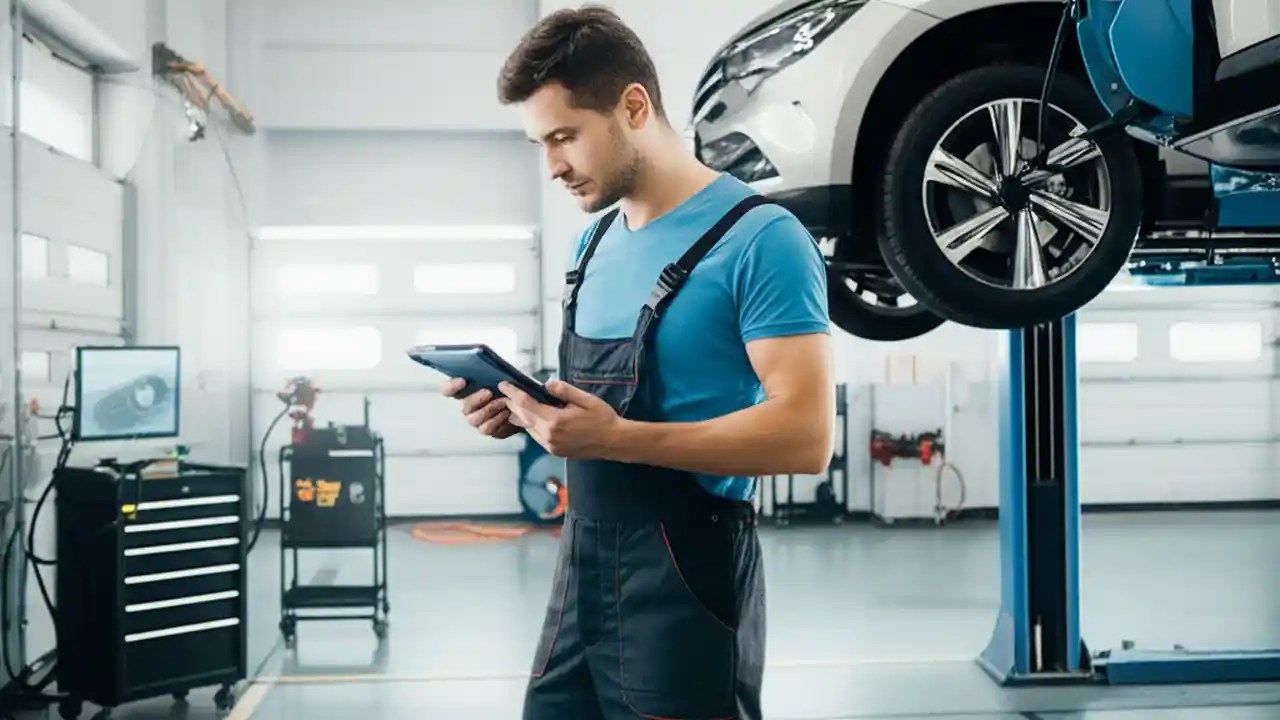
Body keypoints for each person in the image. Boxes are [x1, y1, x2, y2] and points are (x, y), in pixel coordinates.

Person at [441, 5, 833, 719]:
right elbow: (588, 416)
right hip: (580, 565)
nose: (553, 165)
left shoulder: (761, 241)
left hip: (688, 577)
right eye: (540, 143)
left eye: (564, 137)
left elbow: (807, 438)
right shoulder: (588, 249)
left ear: (632, 106)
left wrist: (615, 439)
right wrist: (524, 413)